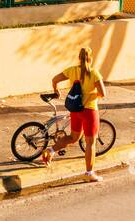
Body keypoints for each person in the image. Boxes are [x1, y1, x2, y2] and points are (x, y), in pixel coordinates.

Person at [40, 46, 107, 182]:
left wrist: (56, 91)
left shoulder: (72, 70)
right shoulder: (94, 73)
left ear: (79, 58)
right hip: (89, 111)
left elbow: (55, 79)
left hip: (75, 111)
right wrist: (91, 95)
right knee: (90, 143)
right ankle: (89, 173)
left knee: (73, 137)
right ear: (91, 58)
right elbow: (103, 94)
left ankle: (50, 151)